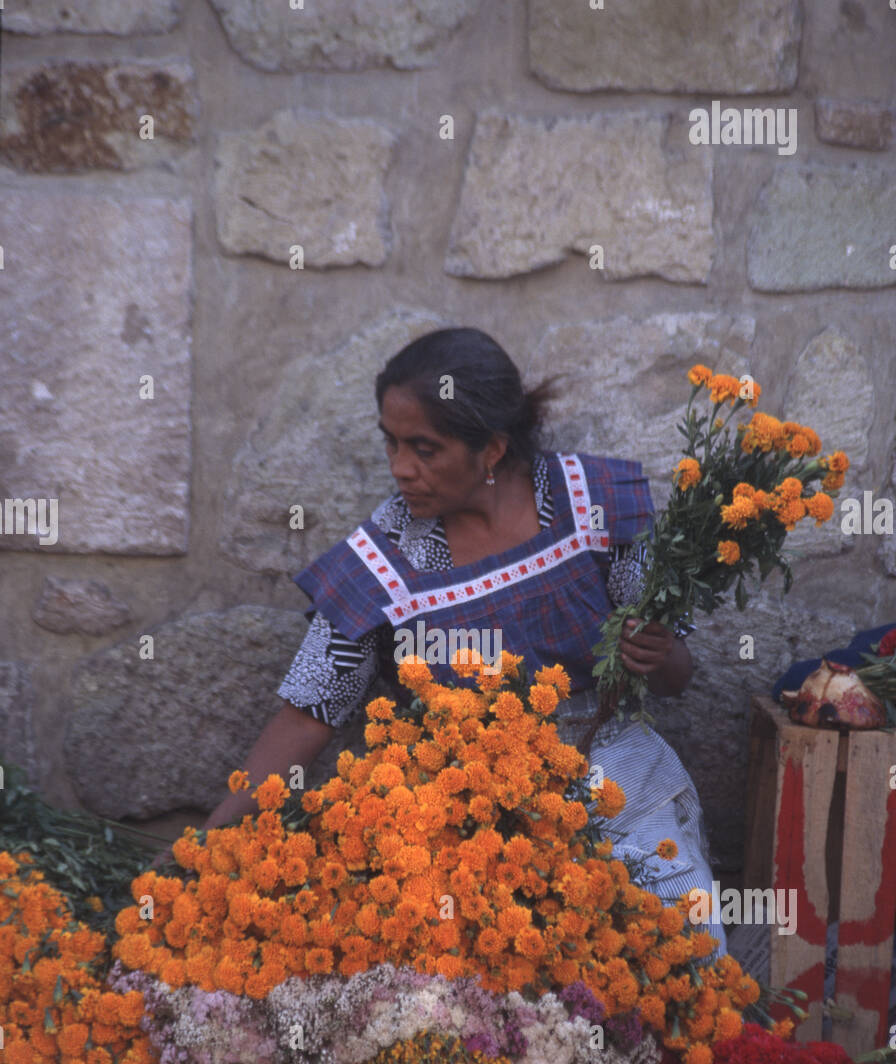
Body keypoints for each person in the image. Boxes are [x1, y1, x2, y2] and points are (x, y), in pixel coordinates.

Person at [202, 327, 725, 952]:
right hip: (474, 823)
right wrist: (209, 850)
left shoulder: (591, 507)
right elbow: (309, 714)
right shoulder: (388, 560)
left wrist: (659, 653)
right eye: (391, 444)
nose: (401, 469)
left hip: (621, 790)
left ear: (493, 450)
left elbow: (678, 674)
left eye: (425, 448)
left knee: (677, 962)